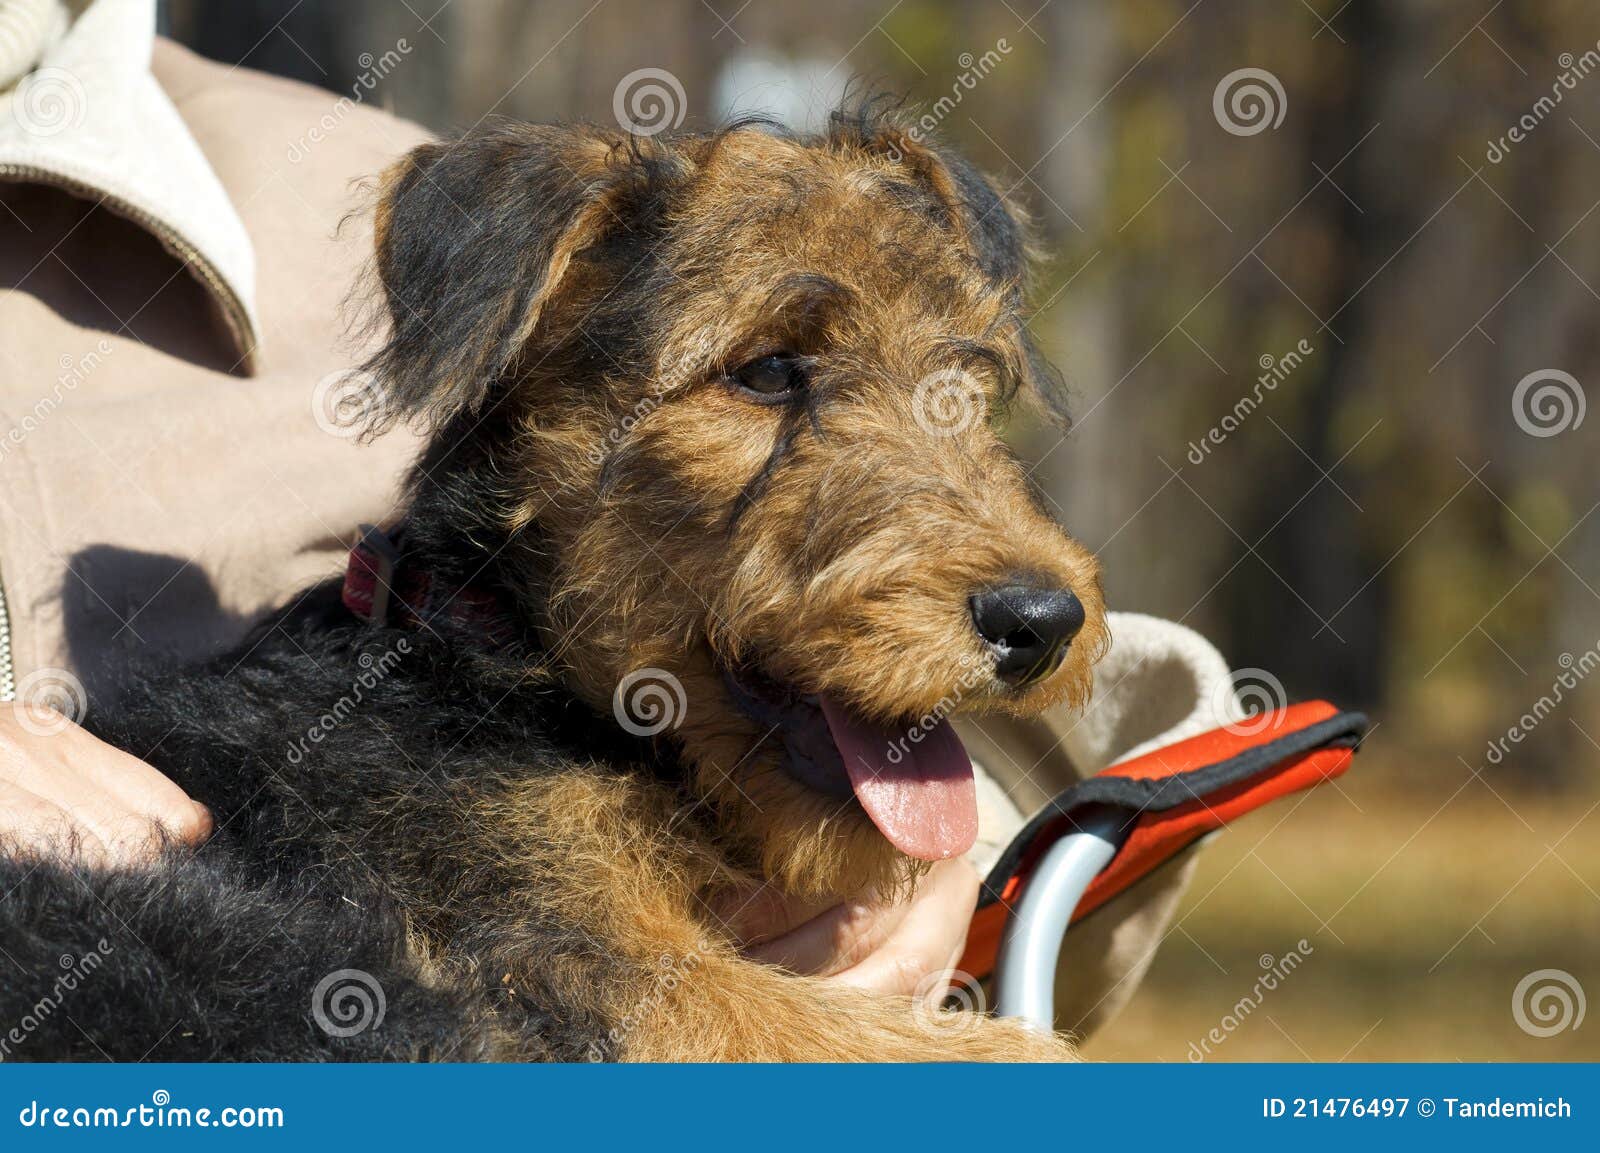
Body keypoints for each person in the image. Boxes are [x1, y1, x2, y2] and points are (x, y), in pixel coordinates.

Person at [0, 0, 1212, 1033]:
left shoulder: (317, 162)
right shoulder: (455, 808)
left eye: (960, 385)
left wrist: (954, 841)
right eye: (767, 375)